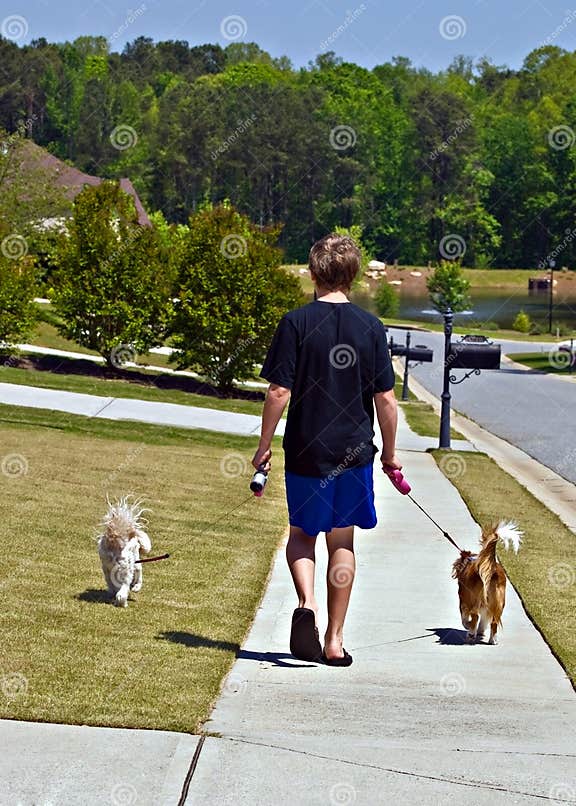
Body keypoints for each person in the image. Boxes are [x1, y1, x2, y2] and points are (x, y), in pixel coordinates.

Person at [251, 233, 400, 666]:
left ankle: (307, 605)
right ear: (353, 276)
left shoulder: (295, 323)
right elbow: (386, 401)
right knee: (343, 540)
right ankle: (334, 641)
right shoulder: (371, 327)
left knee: (301, 534)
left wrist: (263, 447)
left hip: (305, 451)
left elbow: (279, 390)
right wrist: (389, 454)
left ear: (314, 273)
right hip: (353, 452)